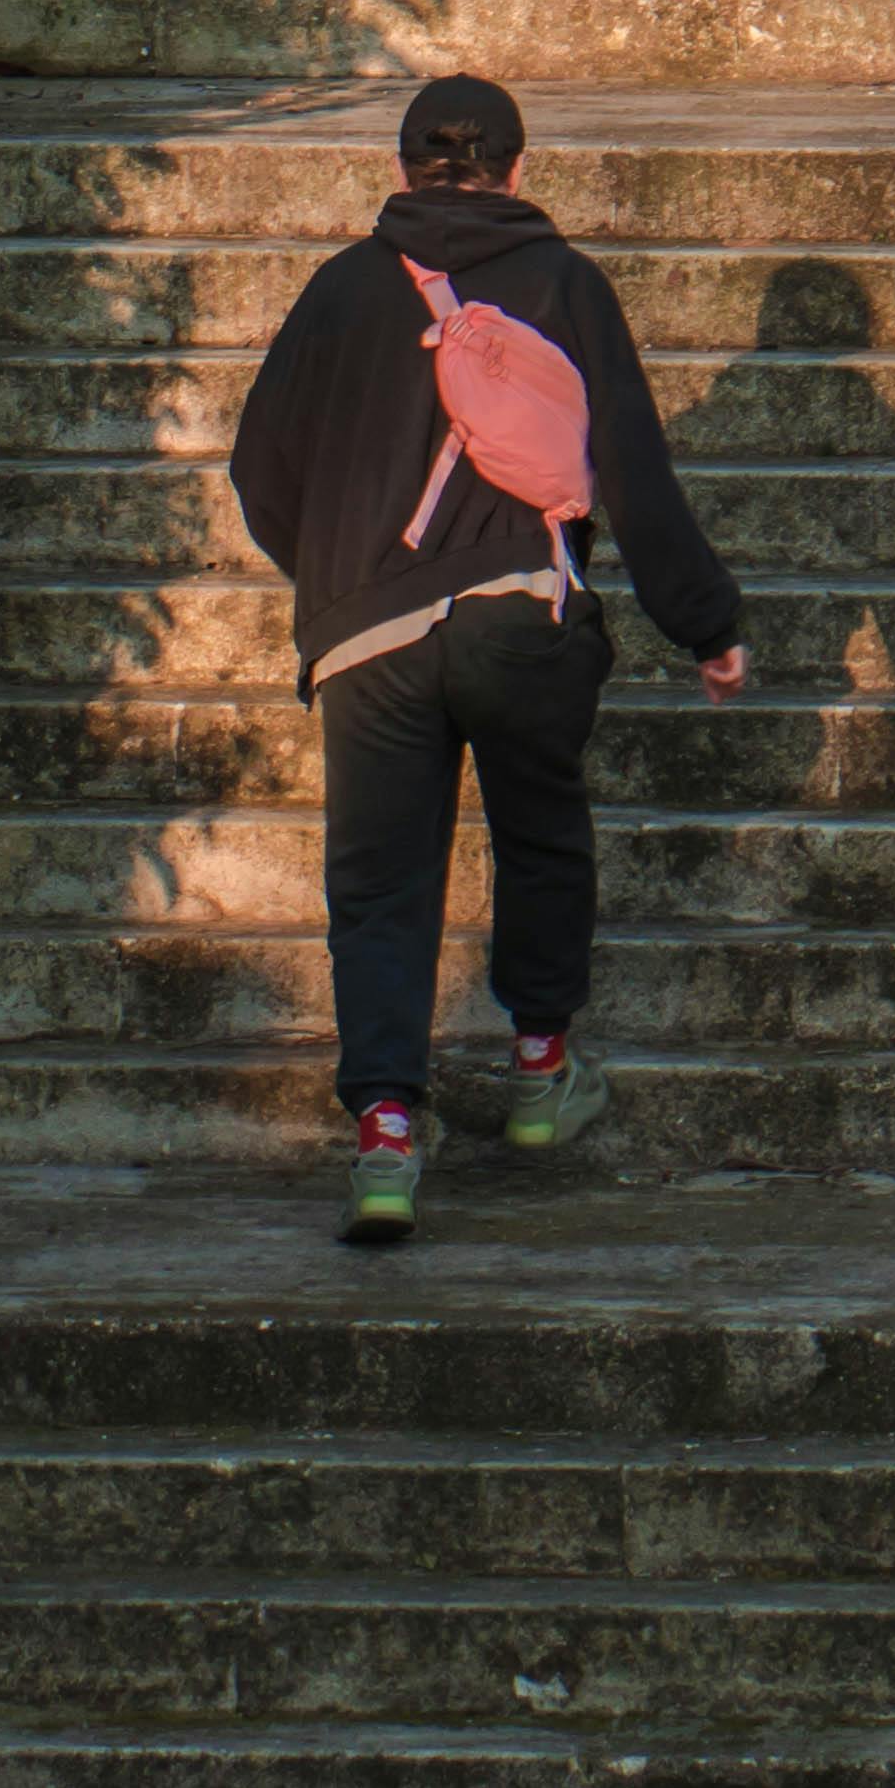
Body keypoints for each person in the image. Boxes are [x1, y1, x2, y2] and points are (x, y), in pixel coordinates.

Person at [227, 72, 748, 1239]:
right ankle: (538, 1067)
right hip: (521, 611)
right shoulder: (564, 282)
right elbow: (630, 469)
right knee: (542, 833)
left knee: (380, 883)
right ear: (519, 169)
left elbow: (261, 469)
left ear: (405, 166)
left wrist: (333, 580)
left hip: (368, 632)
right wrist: (705, 624)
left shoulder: (341, 291)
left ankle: (384, 1140)